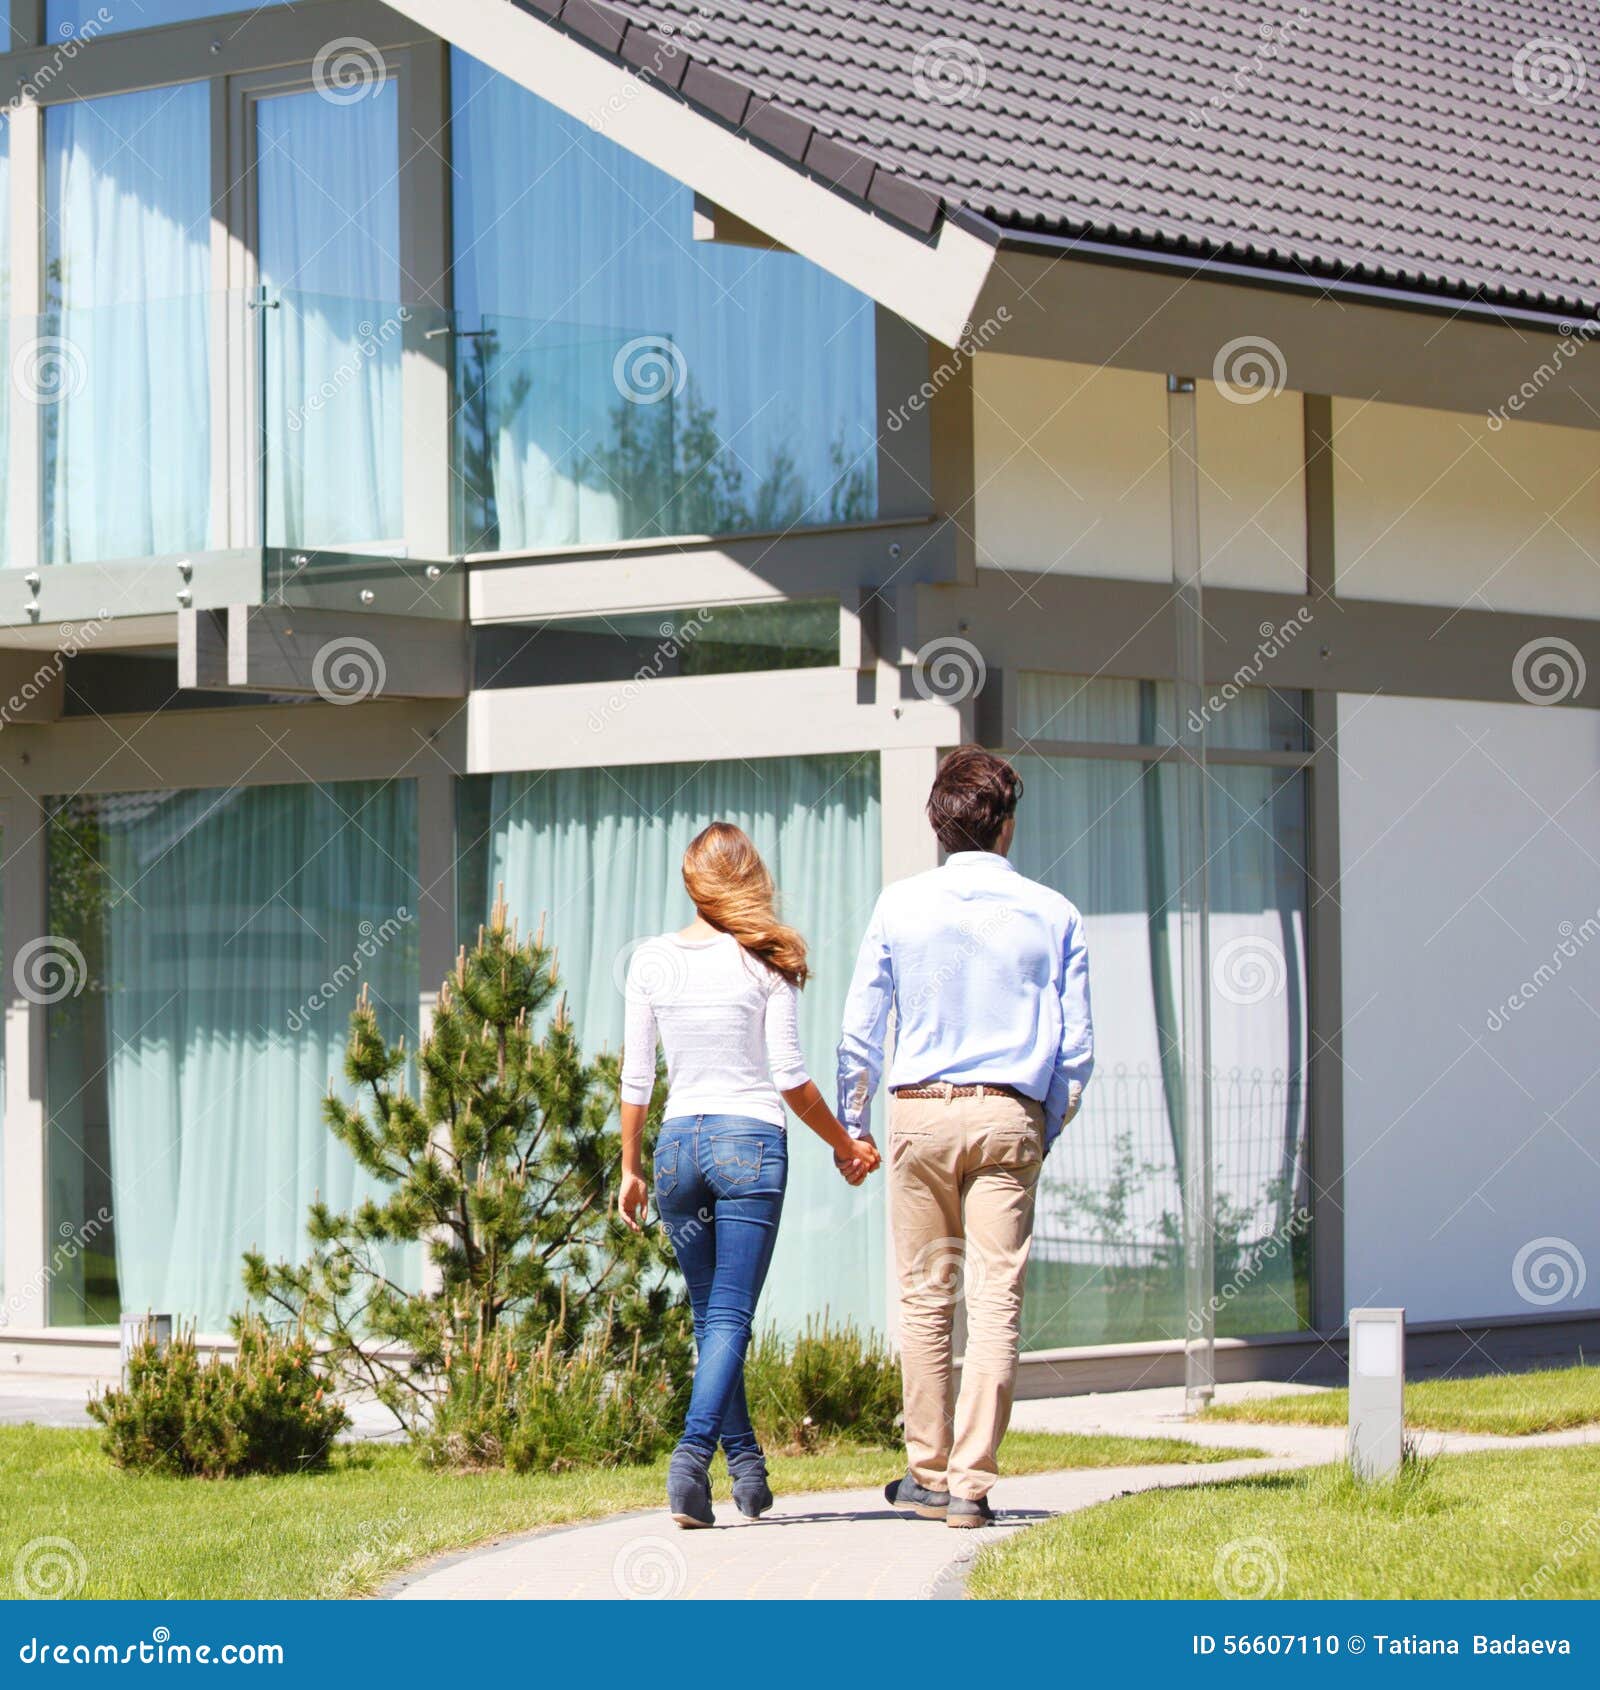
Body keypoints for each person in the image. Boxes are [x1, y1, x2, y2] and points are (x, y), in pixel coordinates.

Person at [836, 747, 1093, 1527]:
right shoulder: (1053, 914)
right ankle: (972, 1486)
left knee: (925, 1298)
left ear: (939, 826)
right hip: (1007, 1113)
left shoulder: (899, 906)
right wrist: (1039, 1125)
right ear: (1007, 827)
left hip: (917, 1110)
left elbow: (859, 1031)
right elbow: (1075, 1053)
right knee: (996, 1300)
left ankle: (926, 1472)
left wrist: (854, 1122)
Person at [619, 821, 881, 1529]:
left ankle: (747, 1469)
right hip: (748, 1143)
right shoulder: (770, 957)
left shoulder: (650, 959)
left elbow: (637, 1078)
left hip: (676, 1148)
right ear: (750, 879)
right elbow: (791, 1080)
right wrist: (846, 1144)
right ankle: (690, 1458)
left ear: (689, 881)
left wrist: (630, 1167)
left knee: (713, 1320)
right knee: (730, 1317)